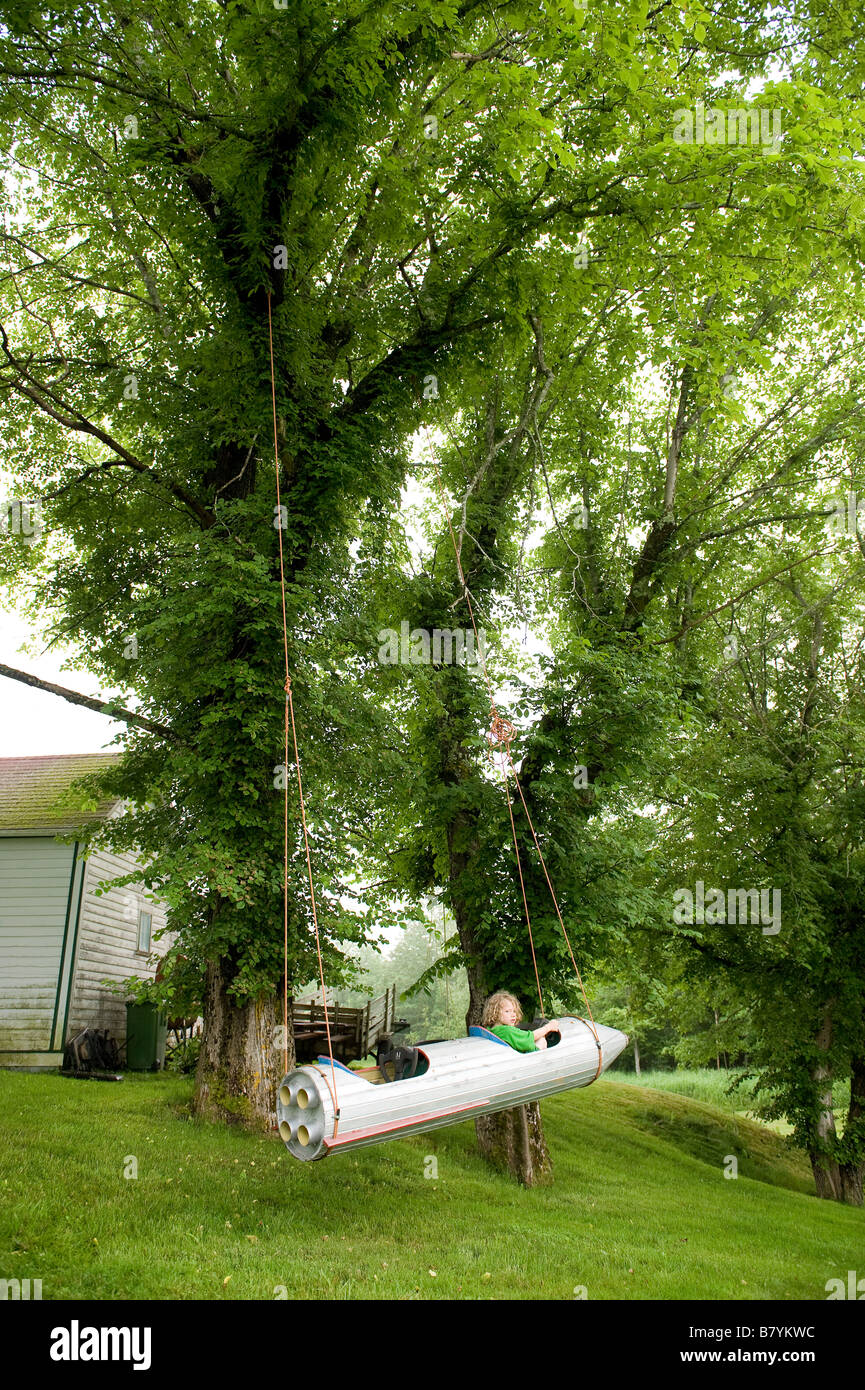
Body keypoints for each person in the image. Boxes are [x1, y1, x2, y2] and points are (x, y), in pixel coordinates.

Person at [481, 991, 560, 1052]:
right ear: (495, 1013)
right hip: (526, 1060)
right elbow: (532, 1037)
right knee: (541, 1039)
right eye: (507, 1011)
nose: (513, 1015)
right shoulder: (507, 1031)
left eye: (514, 1011)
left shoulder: (491, 1029)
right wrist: (549, 1027)